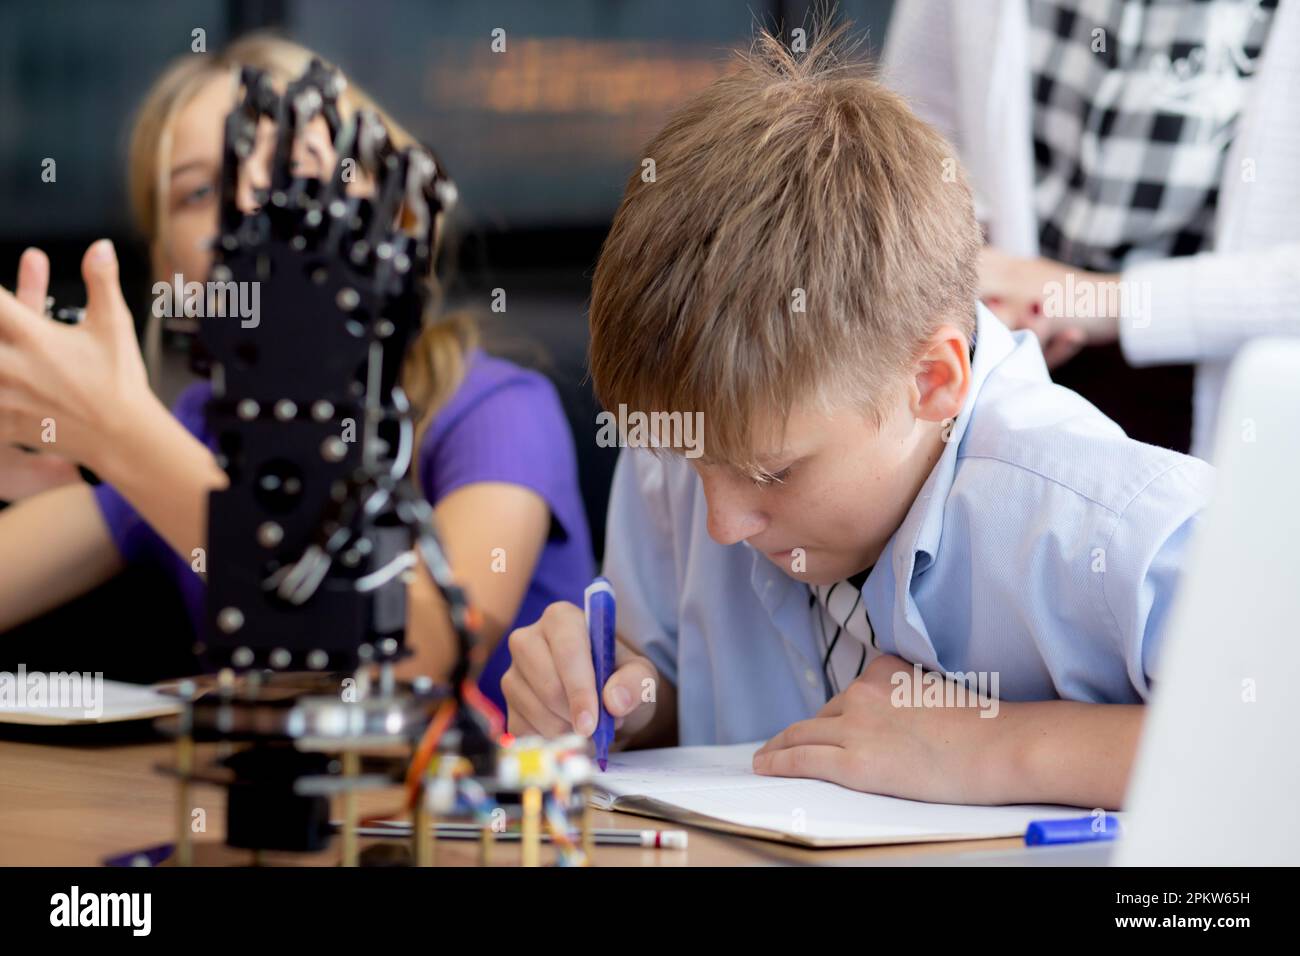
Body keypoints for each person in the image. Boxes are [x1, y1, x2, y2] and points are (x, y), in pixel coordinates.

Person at [500, 27, 1213, 810]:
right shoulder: (692, 434)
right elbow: (666, 686)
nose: (723, 523)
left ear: (933, 382)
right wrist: (611, 701)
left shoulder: (1103, 521)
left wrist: (1002, 748)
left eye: (774, 471)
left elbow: (1267, 729)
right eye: (688, 463)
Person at [0, 36, 592, 709]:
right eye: (199, 189)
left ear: (394, 208)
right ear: (170, 275)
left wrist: (120, 435)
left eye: (297, 162)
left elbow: (426, 656)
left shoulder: (494, 408)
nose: (253, 202)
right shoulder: (194, 431)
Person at [884, 0, 1300, 460]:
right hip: (995, 324)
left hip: (1198, 383)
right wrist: (964, 266)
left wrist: (1085, 298)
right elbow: (916, 115)